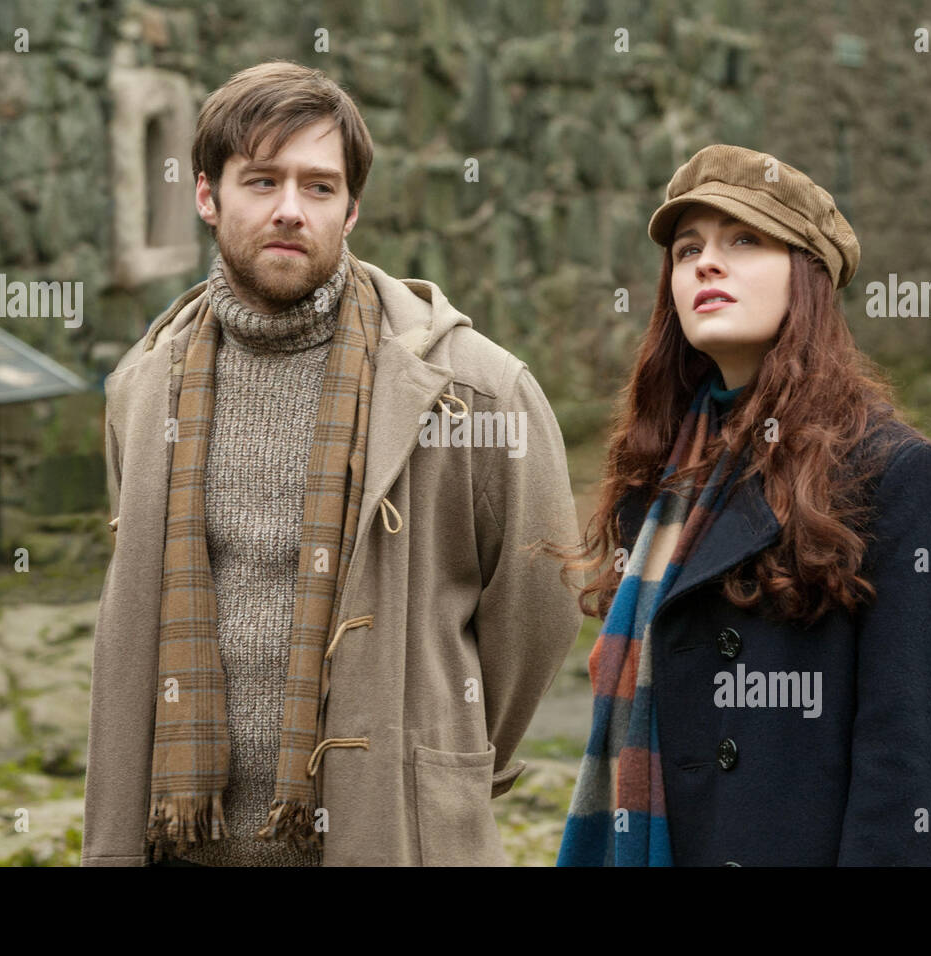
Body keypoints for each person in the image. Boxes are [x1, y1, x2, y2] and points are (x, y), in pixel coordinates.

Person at [80, 60, 583, 866]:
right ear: (207, 195)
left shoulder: (476, 392)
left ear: (351, 209)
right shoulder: (142, 390)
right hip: (180, 846)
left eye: (319, 187)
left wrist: (434, 757)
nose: (289, 210)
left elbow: (540, 607)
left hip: (388, 835)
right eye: (261, 181)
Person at [554, 145, 931, 866]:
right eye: (688, 249)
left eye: (744, 240)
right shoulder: (656, 479)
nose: (705, 265)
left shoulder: (897, 476)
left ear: (808, 276)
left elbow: (910, 761)